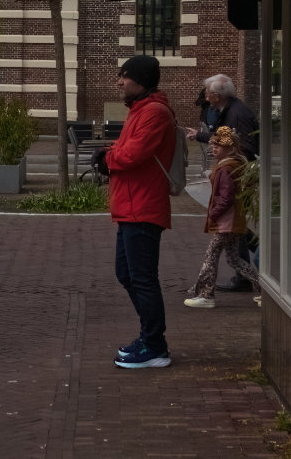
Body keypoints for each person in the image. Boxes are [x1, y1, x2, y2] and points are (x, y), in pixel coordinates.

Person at [98, 54, 177, 370]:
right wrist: (110, 154)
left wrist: (107, 159)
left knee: (142, 278)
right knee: (127, 273)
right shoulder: (141, 110)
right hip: (132, 206)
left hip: (143, 206)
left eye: (125, 75)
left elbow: (132, 154)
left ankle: (155, 346)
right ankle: (150, 339)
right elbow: (122, 148)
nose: (119, 80)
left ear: (140, 79)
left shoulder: (154, 112)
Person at [186, 73, 259, 291]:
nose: (206, 97)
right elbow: (224, 140)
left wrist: (227, 167)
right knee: (236, 232)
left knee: (223, 242)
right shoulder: (230, 110)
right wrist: (200, 136)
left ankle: (205, 291)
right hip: (236, 177)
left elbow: (244, 146)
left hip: (237, 179)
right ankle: (249, 276)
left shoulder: (237, 115)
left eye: (208, 93)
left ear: (217, 95)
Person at [184, 126, 261, 308]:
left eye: (217, 146)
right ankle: (266, 289)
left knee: (211, 256)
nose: (213, 149)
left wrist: (214, 213)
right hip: (234, 218)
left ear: (229, 148)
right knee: (234, 259)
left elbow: (226, 198)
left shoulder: (225, 169)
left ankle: (206, 294)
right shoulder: (237, 164)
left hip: (226, 220)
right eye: (213, 145)